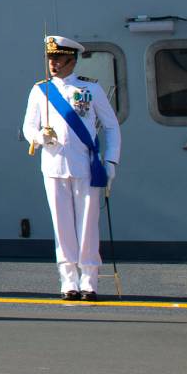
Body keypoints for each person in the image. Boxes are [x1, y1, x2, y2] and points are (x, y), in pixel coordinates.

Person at [24, 35, 121, 301]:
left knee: (88, 225)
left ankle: (90, 281)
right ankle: (69, 282)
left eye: (58, 59)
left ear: (72, 60)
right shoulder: (40, 90)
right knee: (62, 226)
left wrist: (111, 161)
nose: (53, 64)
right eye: (50, 59)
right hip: (54, 165)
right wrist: (38, 138)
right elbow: (28, 126)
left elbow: (111, 126)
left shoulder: (91, 89)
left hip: (86, 166)